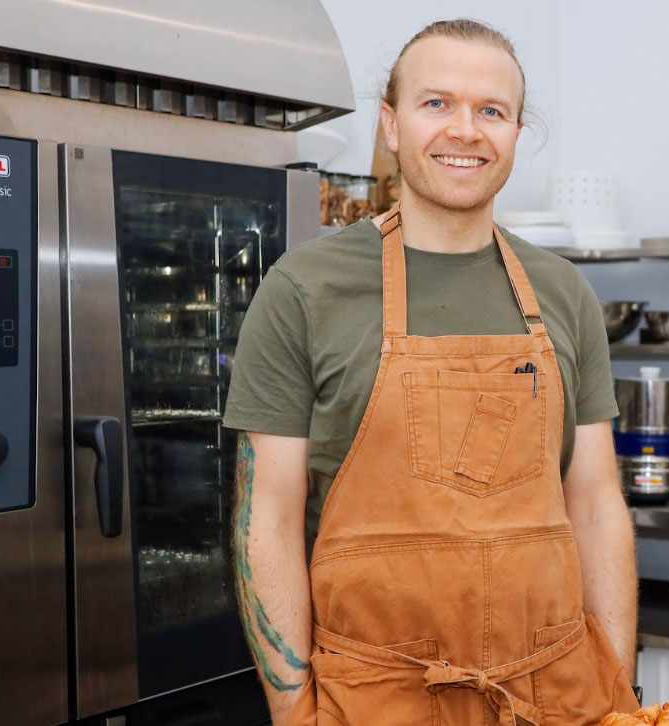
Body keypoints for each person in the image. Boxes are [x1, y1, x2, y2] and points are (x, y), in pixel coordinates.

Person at [223, 17, 640, 726]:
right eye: (436, 103)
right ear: (390, 125)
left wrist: (618, 695)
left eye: (492, 111)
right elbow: (266, 517)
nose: (466, 131)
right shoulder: (305, 289)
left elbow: (598, 506)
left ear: (514, 133)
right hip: (376, 701)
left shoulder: (562, 291)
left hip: (556, 696)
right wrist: (294, 712)